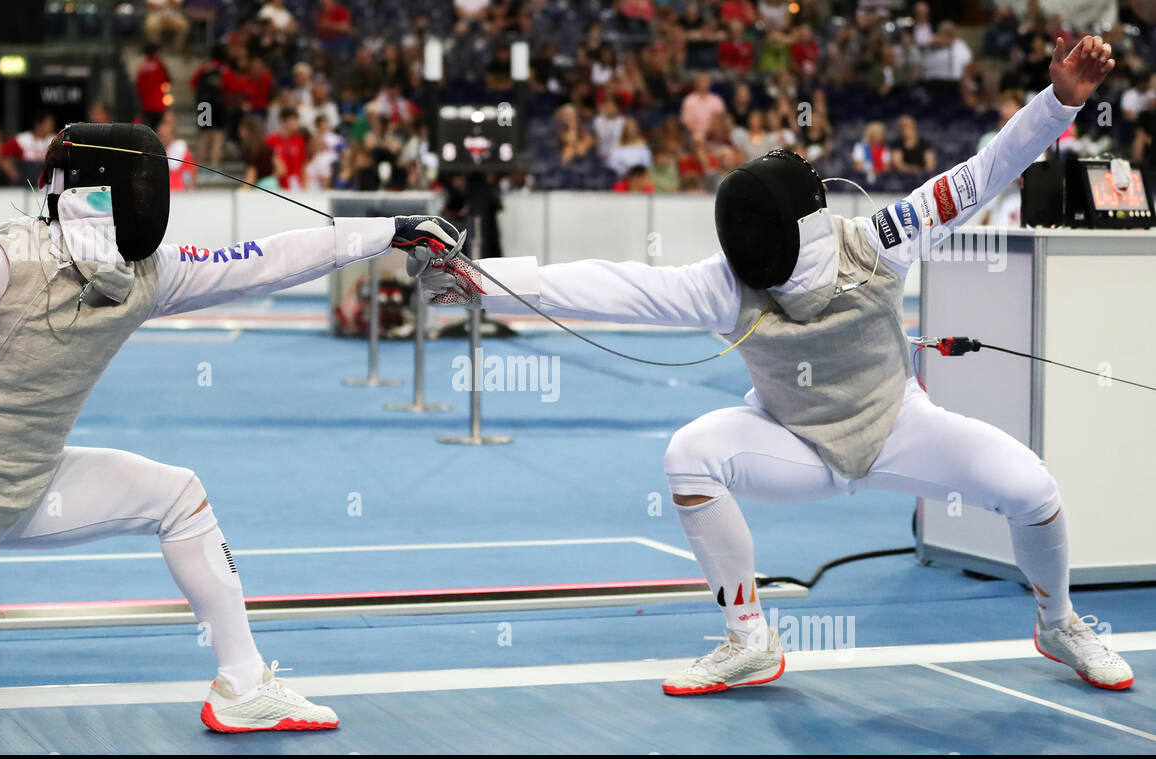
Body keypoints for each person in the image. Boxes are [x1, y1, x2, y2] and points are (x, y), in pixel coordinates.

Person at [411, 37, 1133, 694]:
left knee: (1033, 489)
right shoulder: (727, 282)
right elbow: (613, 284)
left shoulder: (883, 238)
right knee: (690, 454)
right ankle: (748, 638)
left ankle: (1058, 622)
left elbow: (982, 175)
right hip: (795, 442)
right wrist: (482, 277)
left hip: (897, 426)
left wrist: (1059, 101)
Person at [0, 121, 464, 732]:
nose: (149, 200)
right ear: (94, 194)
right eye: (140, 187)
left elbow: (264, 261)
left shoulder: (147, 276)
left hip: (30, 485)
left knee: (178, 496)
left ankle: (244, 686)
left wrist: (387, 232)